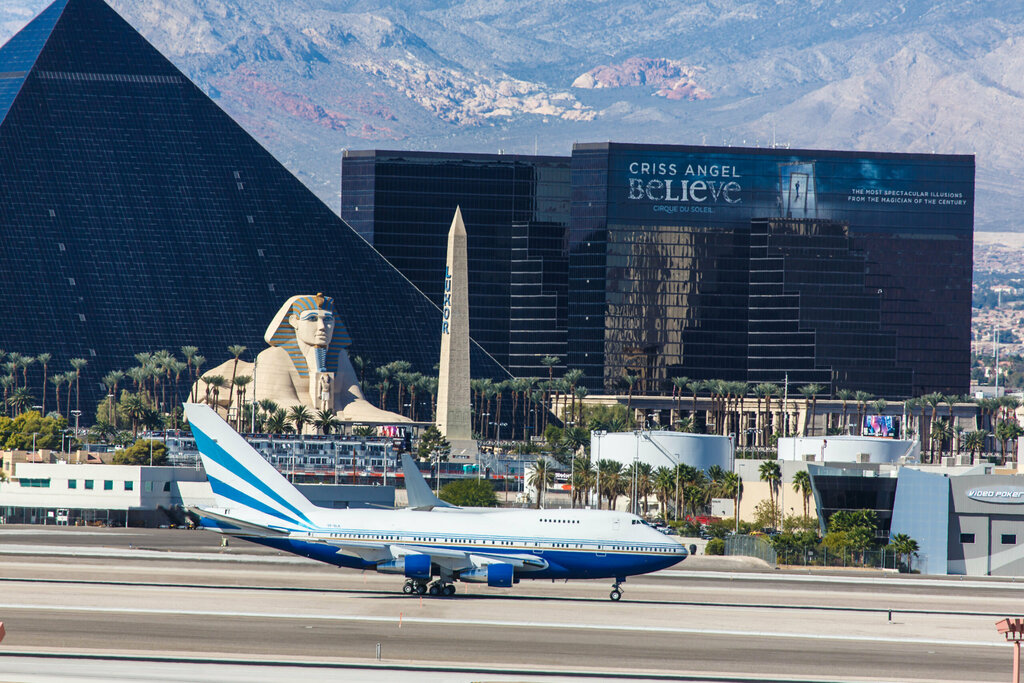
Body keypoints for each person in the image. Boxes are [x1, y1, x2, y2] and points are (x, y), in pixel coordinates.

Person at [193, 293, 410, 428]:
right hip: (298, 419)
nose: (322, 327)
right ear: (294, 322)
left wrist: (387, 418)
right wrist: (322, 417)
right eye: (313, 319)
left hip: (317, 417)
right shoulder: (274, 356)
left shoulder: (339, 357)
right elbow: (274, 404)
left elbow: (354, 402)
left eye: (328, 320)